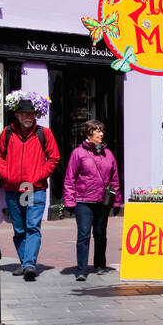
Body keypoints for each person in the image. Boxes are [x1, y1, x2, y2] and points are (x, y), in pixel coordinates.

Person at [0, 98, 60, 281]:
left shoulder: (43, 133)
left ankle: (29, 264)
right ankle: (25, 263)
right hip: (14, 188)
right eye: (25, 114)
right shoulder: (7, 133)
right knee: (20, 228)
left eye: (32, 114)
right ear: (17, 115)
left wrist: (38, 175)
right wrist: (7, 174)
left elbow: (54, 158)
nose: (29, 117)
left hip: (33, 188)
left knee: (32, 226)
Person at [63, 119, 121, 281]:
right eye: (97, 131)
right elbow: (70, 178)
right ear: (89, 134)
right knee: (83, 235)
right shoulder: (78, 153)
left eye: (102, 131)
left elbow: (114, 179)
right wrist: (69, 201)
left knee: (101, 234)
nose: (101, 134)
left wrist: (116, 201)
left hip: (103, 201)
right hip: (83, 200)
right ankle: (81, 269)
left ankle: (100, 264)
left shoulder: (108, 154)